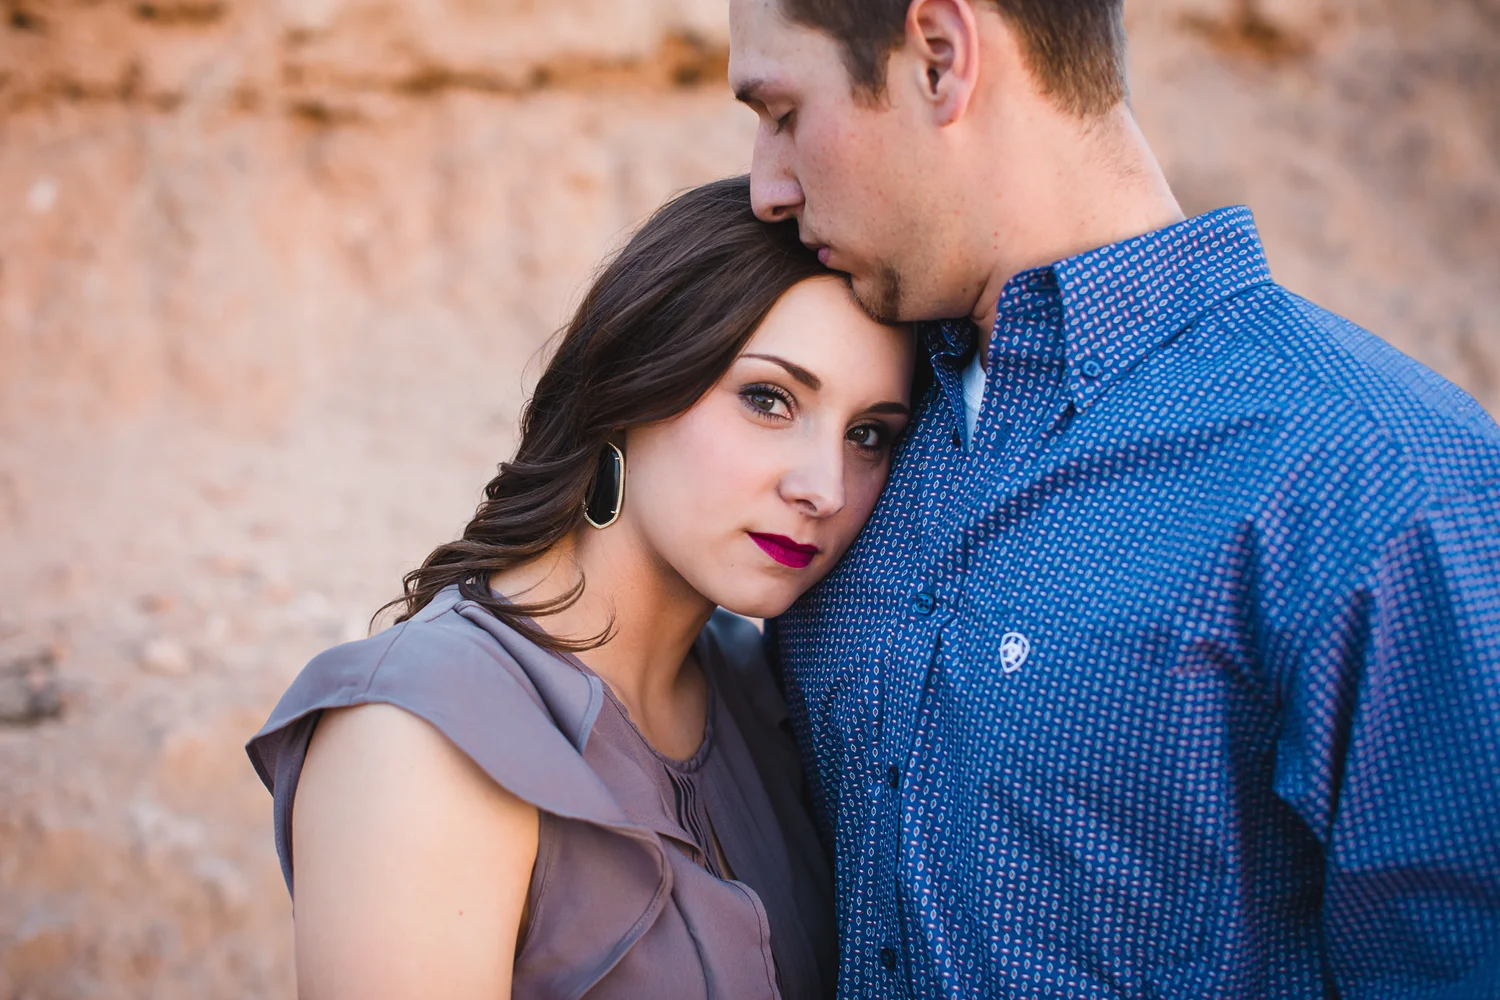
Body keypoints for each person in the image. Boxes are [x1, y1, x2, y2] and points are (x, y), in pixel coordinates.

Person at [728, 1, 1500, 997]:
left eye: (783, 111)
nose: (765, 187)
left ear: (938, 57)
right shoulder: (837, 453)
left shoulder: (1377, 475)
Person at [245, 176, 916, 999]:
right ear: (637, 381)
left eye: (869, 435)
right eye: (769, 399)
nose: (826, 486)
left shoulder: (765, 689)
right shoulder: (421, 737)